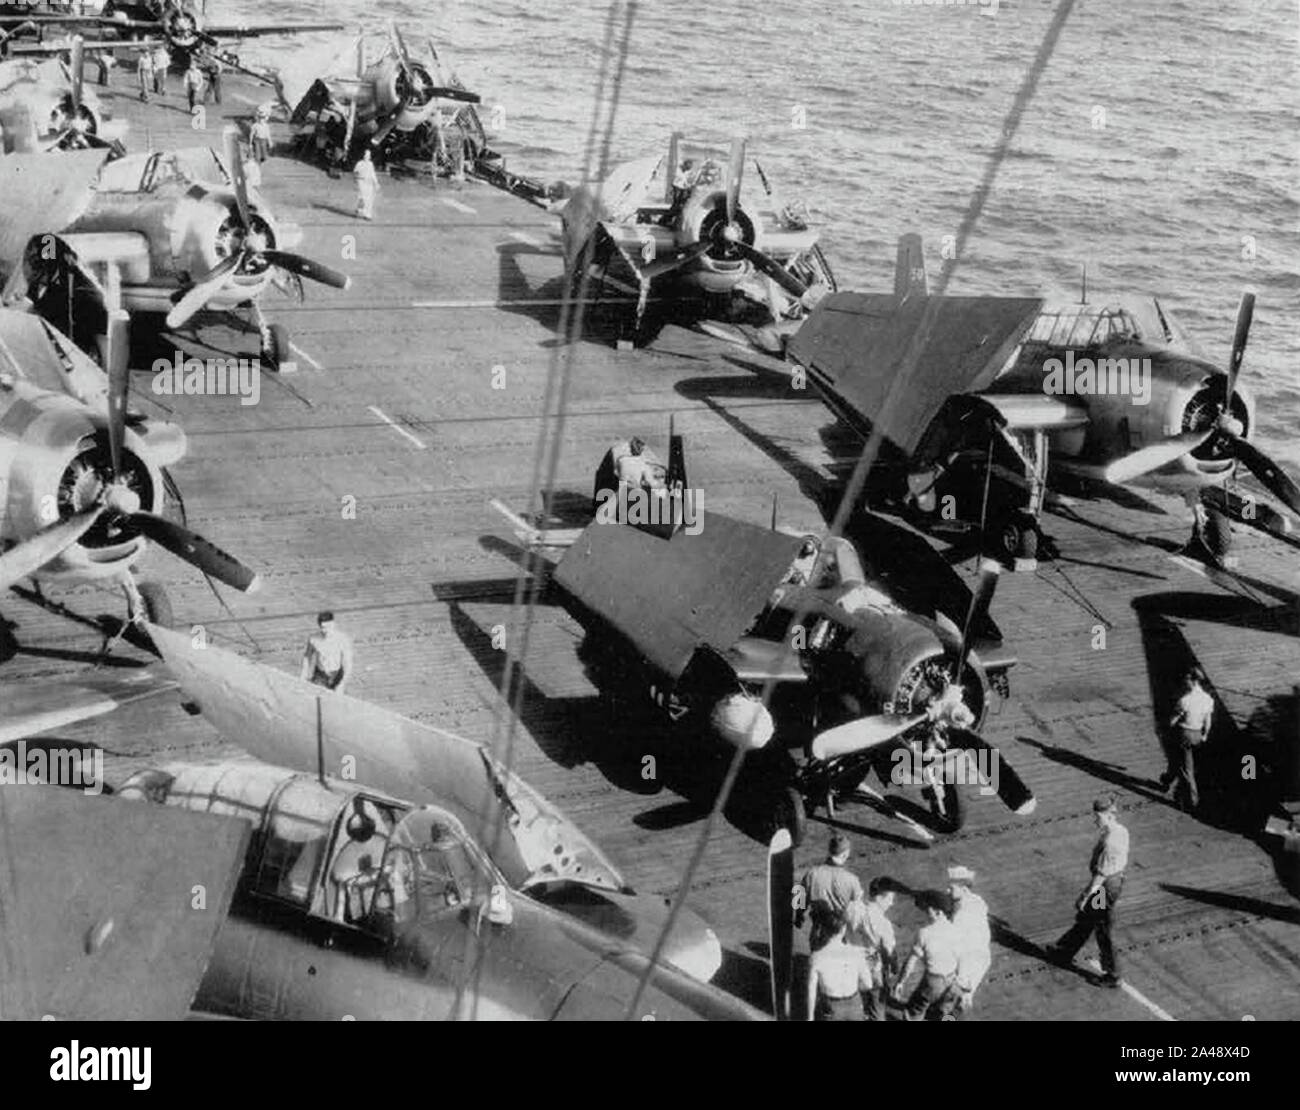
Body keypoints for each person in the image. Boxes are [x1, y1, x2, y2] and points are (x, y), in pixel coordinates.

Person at [1047, 795, 1129, 988]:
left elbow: (1100, 876)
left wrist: (1085, 896)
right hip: (1113, 882)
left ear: (1109, 816)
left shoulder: (1110, 842)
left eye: (1098, 817)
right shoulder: (1121, 831)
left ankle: (1113, 974)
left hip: (1104, 888)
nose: (1095, 820)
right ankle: (1064, 951)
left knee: (1101, 927)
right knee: (1088, 919)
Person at [894, 890, 962, 1020]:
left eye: (928, 910)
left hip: (932, 982)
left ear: (938, 912)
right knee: (945, 1013)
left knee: (913, 1011)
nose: (925, 913)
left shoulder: (924, 933)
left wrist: (900, 982)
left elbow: (911, 961)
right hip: (952, 979)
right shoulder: (956, 930)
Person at [795, 833, 864, 950]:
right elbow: (858, 910)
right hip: (841, 935)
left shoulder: (811, 874)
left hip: (819, 932)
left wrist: (798, 916)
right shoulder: (852, 880)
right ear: (845, 854)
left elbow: (798, 897)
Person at [805, 907, 872, 1021]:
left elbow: (811, 991)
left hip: (831, 1008)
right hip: (854, 1004)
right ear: (843, 929)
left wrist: (810, 1017)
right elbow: (868, 984)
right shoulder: (855, 953)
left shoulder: (816, 957)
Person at [846, 876, 898, 1020]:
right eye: (890, 899)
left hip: (851, 967)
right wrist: (893, 973)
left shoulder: (852, 909)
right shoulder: (883, 923)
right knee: (877, 1009)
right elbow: (889, 952)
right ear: (880, 897)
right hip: (873, 969)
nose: (892, 903)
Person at [1163, 670, 1213, 812]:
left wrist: (1167, 726)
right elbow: (1208, 722)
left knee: (1187, 769)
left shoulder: (1185, 700)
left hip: (1184, 734)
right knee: (1180, 759)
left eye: (1187, 680)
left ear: (1193, 681)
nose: (1185, 683)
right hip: (1198, 734)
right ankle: (1167, 779)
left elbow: (1174, 720)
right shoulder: (1208, 699)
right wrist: (1205, 735)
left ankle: (1192, 801)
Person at [948, 865, 992, 1014]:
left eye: (951, 888)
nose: (948, 891)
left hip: (967, 961)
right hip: (981, 956)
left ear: (964, 889)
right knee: (964, 998)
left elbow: (955, 943)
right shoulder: (978, 900)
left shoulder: (961, 914)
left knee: (953, 1003)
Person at [299, 611, 355, 692]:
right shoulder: (314, 639)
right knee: (316, 696)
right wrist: (303, 676)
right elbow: (307, 657)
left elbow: (348, 664)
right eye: (323, 627)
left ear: (333, 624)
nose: (325, 630)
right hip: (321, 675)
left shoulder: (342, 640)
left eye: (328, 627)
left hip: (337, 674)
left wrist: (342, 683)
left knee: (337, 700)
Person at [354, 149, 380, 220]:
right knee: (363, 198)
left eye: (368, 155)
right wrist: (357, 180)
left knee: (369, 199)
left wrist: (376, 183)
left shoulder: (370, 164)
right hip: (361, 182)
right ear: (363, 155)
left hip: (369, 182)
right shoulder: (360, 163)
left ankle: (367, 214)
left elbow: (373, 174)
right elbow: (355, 172)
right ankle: (361, 211)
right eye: (366, 155)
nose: (367, 156)